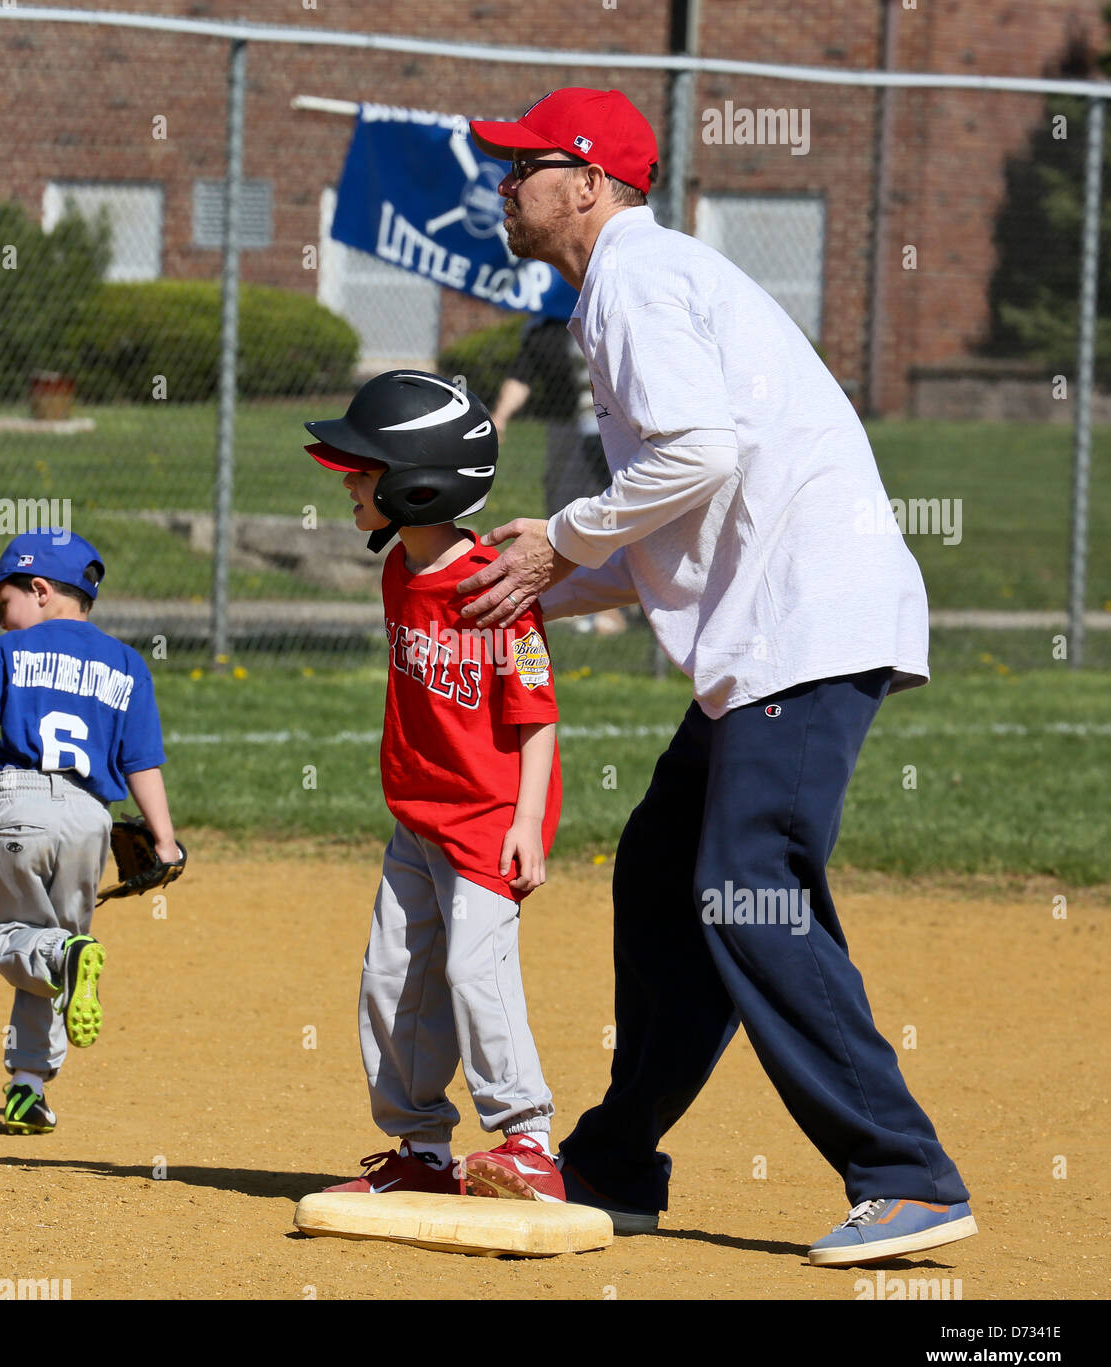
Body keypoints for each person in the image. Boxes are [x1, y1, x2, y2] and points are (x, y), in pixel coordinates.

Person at [459, 87, 976, 1266]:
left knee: (750, 884)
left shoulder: (636, 280)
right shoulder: (638, 288)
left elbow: (699, 455)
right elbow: (673, 518)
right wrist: (527, 576)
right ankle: (615, 1158)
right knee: (660, 872)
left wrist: (559, 539)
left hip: (805, 627)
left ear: (588, 184)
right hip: (777, 629)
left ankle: (905, 1172)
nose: (504, 186)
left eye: (524, 165)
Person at [304, 370, 566, 1203]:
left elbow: (537, 711)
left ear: (419, 485)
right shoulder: (397, 575)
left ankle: (527, 1141)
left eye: (365, 470)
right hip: (416, 822)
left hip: (490, 823)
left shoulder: (494, 588)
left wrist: (528, 821)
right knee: (392, 980)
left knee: (474, 974)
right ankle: (419, 1147)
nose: (349, 481)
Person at [0, 530, 182, 1136]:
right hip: (90, 820)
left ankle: (62, 959)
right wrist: (166, 840)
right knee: (55, 949)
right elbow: (141, 761)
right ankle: (29, 1085)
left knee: (10, 935)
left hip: (22, 804)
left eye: (4, 604)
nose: (1, 619)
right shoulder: (127, 663)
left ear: (39, 591)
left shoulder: (4, 654)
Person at [491, 317, 627, 636]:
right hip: (580, 430)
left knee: (612, 518)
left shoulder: (616, 311)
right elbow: (523, 372)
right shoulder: (551, 324)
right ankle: (576, 604)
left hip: (623, 434)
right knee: (572, 512)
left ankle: (612, 612)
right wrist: (500, 417)